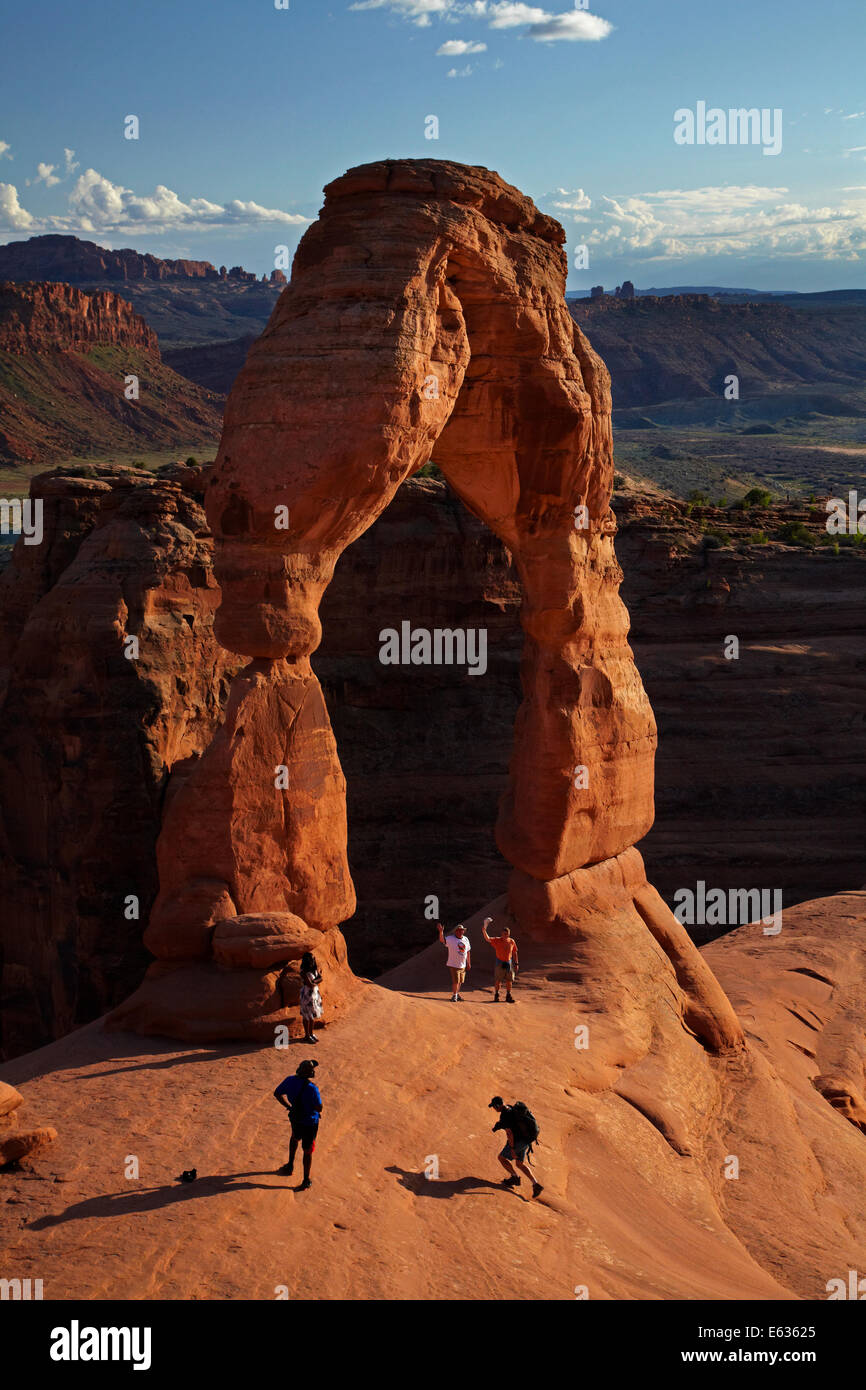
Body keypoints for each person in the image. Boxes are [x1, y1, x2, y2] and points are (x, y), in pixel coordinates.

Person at [274, 1059, 322, 1189]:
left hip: (295, 1118)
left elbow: (277, 1093)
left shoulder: (289, 1080)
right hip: (310, 1122)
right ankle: (306, 1180)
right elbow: (319, 1108)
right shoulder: (312, 1089)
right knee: (307, 1150)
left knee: (294, 1137)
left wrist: (289, 1106)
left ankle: (290, 1165)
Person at [489, 1095, 543, 1199]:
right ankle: (535, 1184)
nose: (494, 1109)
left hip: (518, 1141)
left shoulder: (504, 1116)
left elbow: (510, 1134)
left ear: (497, 1106)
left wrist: (513, 1149)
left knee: (501, 1158)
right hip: (526, 1139)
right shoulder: (510, 1108)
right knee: (519, 1163)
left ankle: (515, 1177)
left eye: (494, 1107)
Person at [481, 916, 519, 1003]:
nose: (505, 935)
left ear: (509, 934)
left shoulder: (512, 941)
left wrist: (516, 963)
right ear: (501, 934)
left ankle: (508, 995)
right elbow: (487, 939)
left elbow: (515, 952)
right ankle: (496, 995)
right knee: (498, 980)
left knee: (509, 980)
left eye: (506, 934)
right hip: (500, 962)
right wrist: (484, 930)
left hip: (508, 962)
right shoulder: (497, 940)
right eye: (503, 933)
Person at [436, 921, 471, 1002]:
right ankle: (454, 995)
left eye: (462, 930)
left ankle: (457, 994)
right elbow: (442, 940)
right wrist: (441, 932)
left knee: (460, 981)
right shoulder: (451, 938)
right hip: (453, 964)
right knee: (456, 981)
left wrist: (468, 962)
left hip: (463, 965)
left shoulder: (466, 939)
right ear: (455, 931)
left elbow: (468, 951)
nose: (460, 931)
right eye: (458, 930)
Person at [299, 951, 323, 1043]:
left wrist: (314, 982)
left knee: (312, 1015)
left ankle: (311, 1034)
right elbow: (310, 984)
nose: (312, 961)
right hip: (306, 995)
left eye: (313, 959)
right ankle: (307, 1036)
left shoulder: (314, 970)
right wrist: (316, 981)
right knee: (306, 1016)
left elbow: (320, 979)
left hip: (314, 995)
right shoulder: (303, 972)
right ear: (306, 961)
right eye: (310, 959)